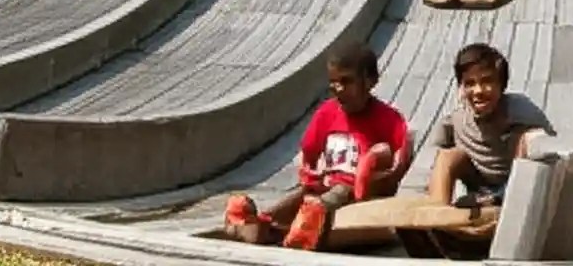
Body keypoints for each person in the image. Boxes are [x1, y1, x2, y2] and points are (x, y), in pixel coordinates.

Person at [224, 43, 411, 251]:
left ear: (370, 81)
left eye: (346, 81)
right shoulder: (327, 113)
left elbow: (399, 164)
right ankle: (260, 221)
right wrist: (310, 177)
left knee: (336, 193)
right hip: (325, 189)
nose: (338, 89)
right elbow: (309, 155)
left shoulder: (389, 120)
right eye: (333, 83)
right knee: (307, 195)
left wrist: (371, 174)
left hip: (362, 198)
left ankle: (296, 226)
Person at [428, 44, 554, 209]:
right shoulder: (457, 117)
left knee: (527, 138)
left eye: (487, 81)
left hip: (516, 189)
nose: (478, 91)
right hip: (478, 186)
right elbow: (429, 158)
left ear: (501, 85)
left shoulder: (520, 111)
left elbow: (551, 153)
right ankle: (436, 217)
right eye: (470, 83)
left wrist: (499, 198)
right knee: (447, 157)